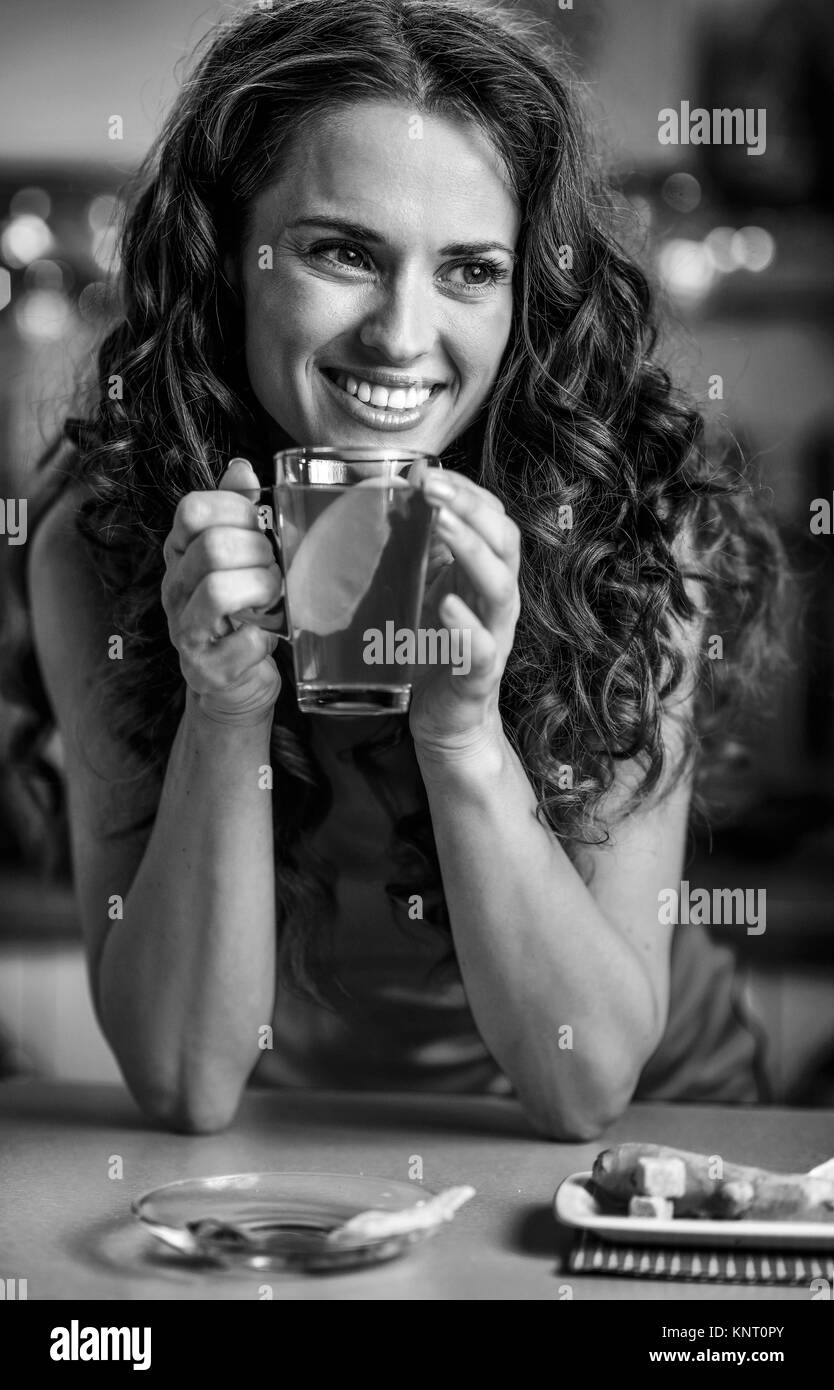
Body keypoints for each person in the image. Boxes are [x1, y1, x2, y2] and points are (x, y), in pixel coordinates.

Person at [8, 0, 782, 1136]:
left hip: (658, 1136)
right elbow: (184, 1078)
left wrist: (462, 733)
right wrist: (225, 710)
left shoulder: (632, 522)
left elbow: (586, 1085)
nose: (403, 336)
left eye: (470, 269)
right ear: (231, 256)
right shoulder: (106, 532)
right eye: (344, 251)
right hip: (320, 1147)